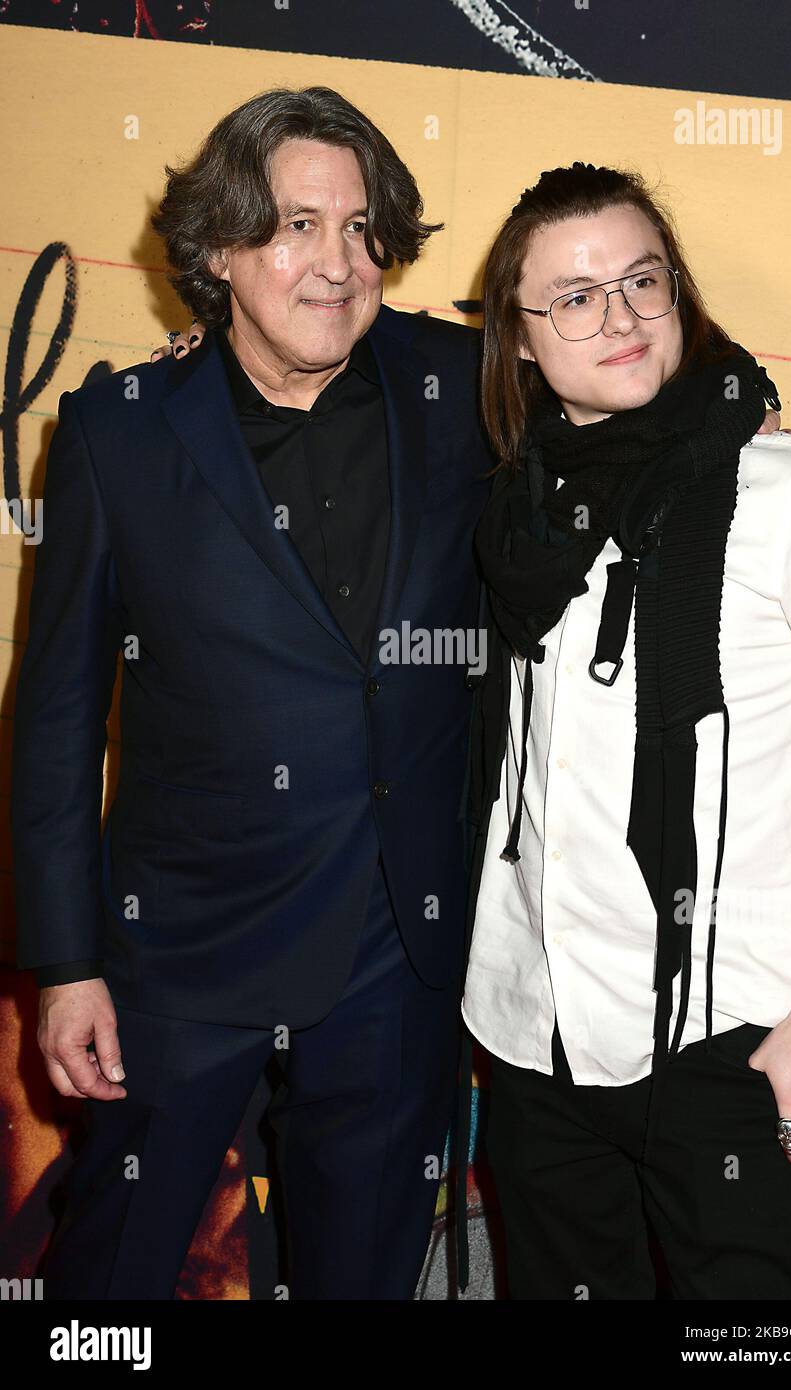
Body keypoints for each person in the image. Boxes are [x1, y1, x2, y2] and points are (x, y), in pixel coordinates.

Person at [12, 85, 494, 1300]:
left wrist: (727, 388)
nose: (336, 263)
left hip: (396, 950)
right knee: (108, 1276)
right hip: (179, 956)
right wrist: (65, 966)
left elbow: (628, 361)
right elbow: (59, 717)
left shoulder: (460, 384)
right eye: (294, 226)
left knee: (359, 1271)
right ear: (220, 251)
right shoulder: (118, 432)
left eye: (359, 226)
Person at [461, 160, 791, 1300]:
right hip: (530, 1030)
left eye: (643, 280)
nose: (622, 316)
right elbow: (349, 353)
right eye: (576, 297)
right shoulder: (514, 502)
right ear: (522, 339)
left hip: (728, 1038)